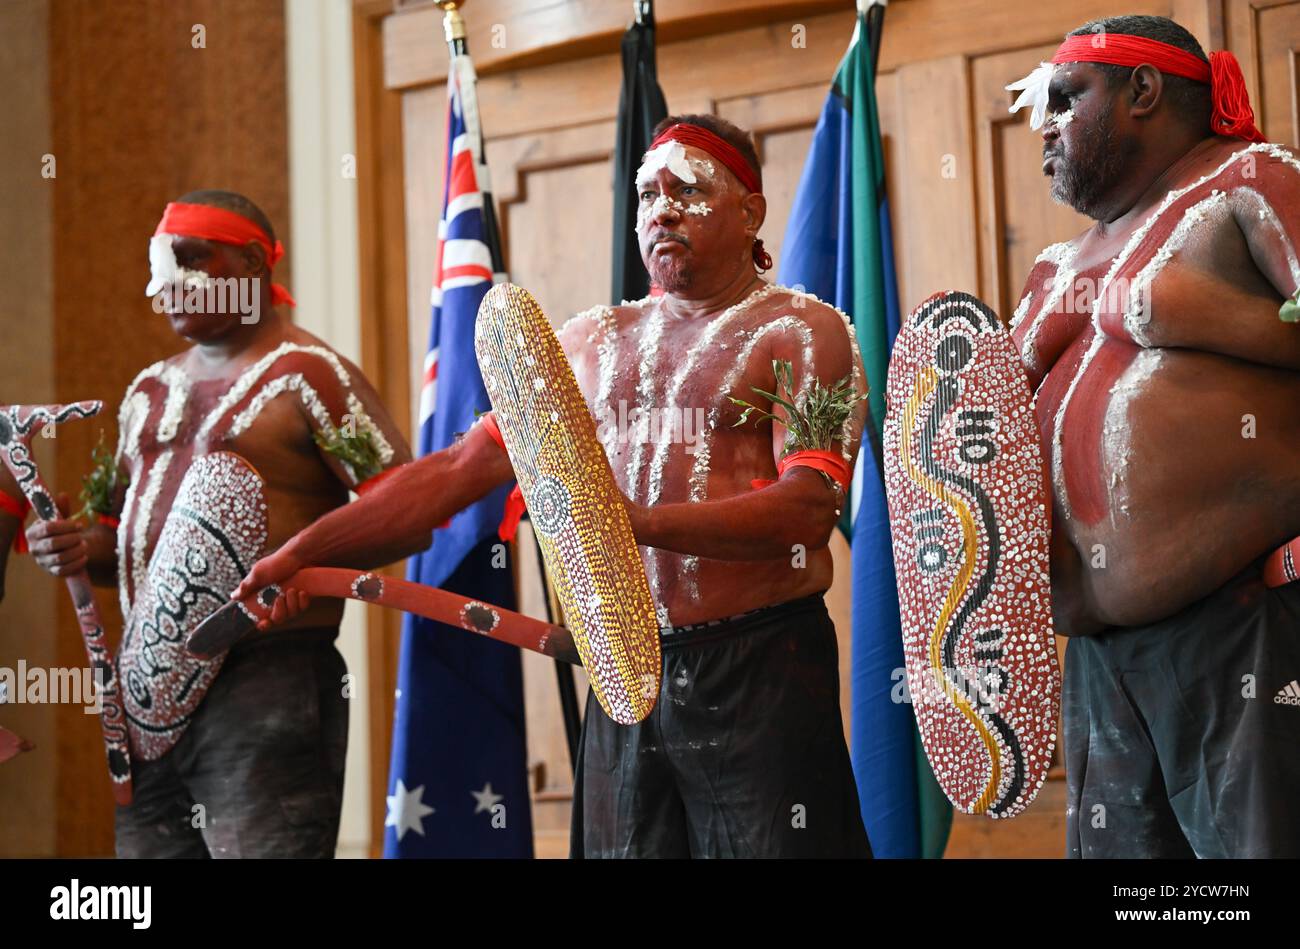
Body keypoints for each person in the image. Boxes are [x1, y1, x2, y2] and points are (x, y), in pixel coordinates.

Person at [236, 115, 874, 858]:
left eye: (688, 190)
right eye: (646, 194)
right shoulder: (586, 345)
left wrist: (626, 521)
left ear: (751, 210)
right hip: (619, 674)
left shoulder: (801, 331)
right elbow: (450, 476)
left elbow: (807, 507)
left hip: (757, 668)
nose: (661, 209)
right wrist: (301, 554)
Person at [25, 190, 411, 857]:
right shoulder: (147, 393)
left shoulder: (309, 377)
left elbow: (408, 514)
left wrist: (302, 562)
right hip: (147, 688)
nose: (169, 281)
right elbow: (120, 541)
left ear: (256, 264)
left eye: (191, 258)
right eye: (160, 262)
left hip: (267, 674)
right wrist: (73, 544)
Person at [1007, 15, 1300, 857]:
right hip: (1097, 661)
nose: (1046, 130)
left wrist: (1207, 315)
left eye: (1066, 100)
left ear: (1143, 90)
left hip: (1246, 623)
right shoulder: (1054, 267)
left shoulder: (1252, 179)